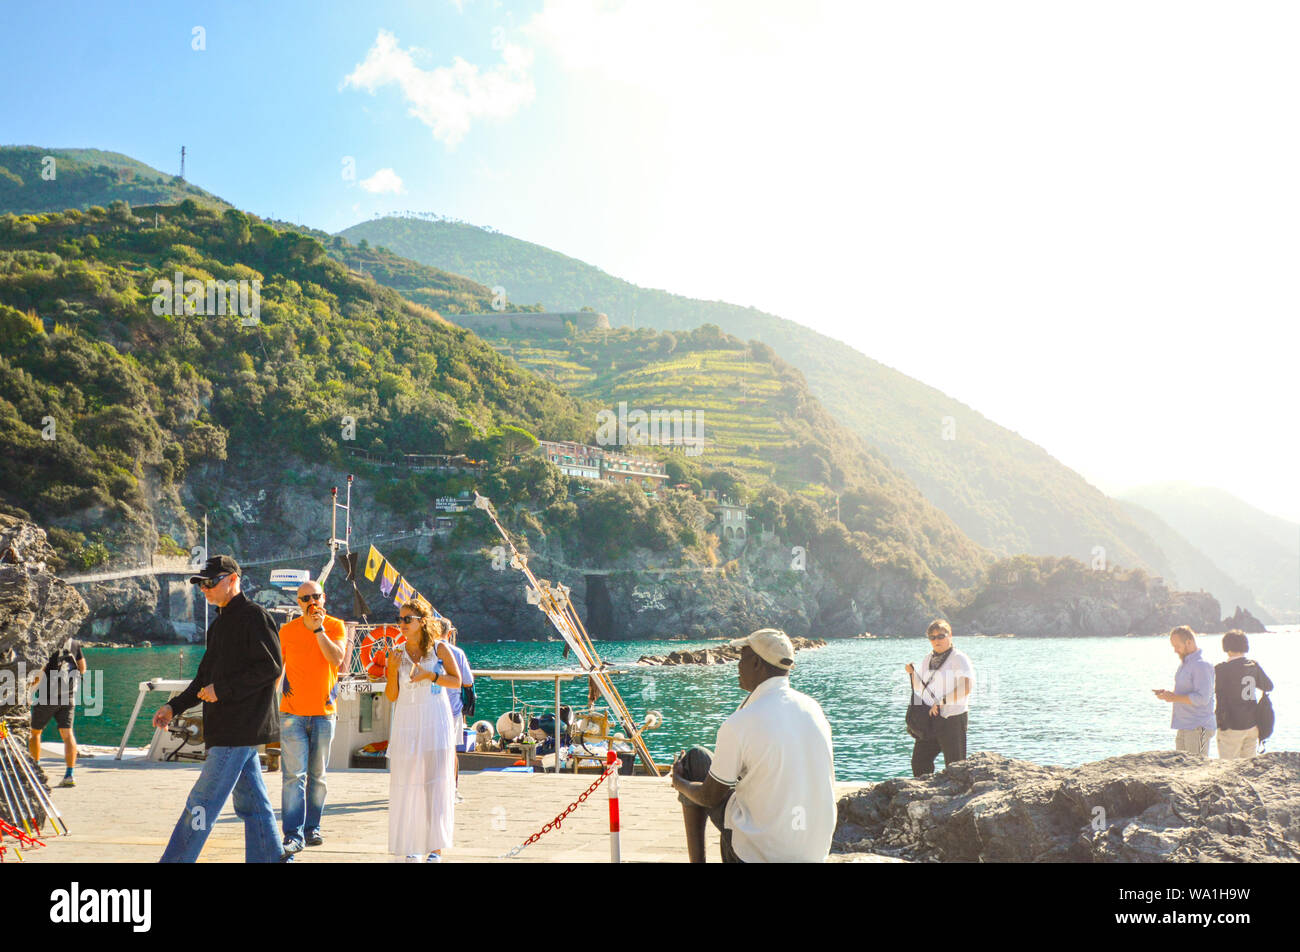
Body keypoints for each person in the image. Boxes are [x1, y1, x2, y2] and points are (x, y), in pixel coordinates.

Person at [154, 556, 285, 863]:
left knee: (200, 803)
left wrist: (223, 689)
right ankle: (270, 858)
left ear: (233, 580)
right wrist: (173, 707)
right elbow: (203, 678)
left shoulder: (255, 616)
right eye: (201, 585)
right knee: (253, 806)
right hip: (228, 730)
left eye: (211, 583)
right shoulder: (220, 624)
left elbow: (271, 667)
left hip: (238, 729)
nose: (205, 589)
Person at [670, 628, 836, 863]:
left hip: (759, 855)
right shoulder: (813, 709)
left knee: (693, 761)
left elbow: (708, 796)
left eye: (742, 658)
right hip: (813, 851)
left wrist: (680, 783)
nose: (737, 666)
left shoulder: (741, 722)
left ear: (757, 663)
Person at [385, 603, 460, 863]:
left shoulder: (440, 649)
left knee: (435, 783)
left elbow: (457, 680)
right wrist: (392, 670)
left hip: (434, 718)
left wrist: (431, 675)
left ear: (422, 621)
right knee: (408, 784)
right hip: (406, 720)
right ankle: (413, 845)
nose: (402, 622)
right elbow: (392, 695)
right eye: (399, 618)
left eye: (408, 618)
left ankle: (435, 849)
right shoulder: (395, 652)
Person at [278, 579, 347, 853]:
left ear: (324, 597)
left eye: (315, 597)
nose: (311, 603)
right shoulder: (287, 630)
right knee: (294, 776)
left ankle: (312, 828)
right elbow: (275, 670)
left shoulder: (334, 626)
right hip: (291, 714)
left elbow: (337, 659)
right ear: (298, 603)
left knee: (318, 776)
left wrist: (318, 629)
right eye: (305, 599)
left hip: (323, 713)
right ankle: (293, 834)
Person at [905, 619, 974, 776]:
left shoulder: (959, 658)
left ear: (950, 636)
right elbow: (919, 687)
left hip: (952, 718)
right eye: (932, 637)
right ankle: (925, 795)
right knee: (919, 761)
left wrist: (942, 701)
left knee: (955, 765)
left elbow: (966, 687)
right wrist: (912, 673)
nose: (936, 640)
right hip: (930, 719)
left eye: (941, 636)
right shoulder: (927, 658)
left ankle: (957, 798)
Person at [28, 637, 87, 787]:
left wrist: (29, 691)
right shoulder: (73, 643)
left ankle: (35, 771)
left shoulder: (47, 641)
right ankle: (69, 774)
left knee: (35, 732)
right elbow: (82, 668)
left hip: (46, 696)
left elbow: (40, 671)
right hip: (68, 696)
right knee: (67, 734)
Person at [1153, 625, 1216, 758]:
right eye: (1173, 646)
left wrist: (1173, 698)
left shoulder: (1201, 665)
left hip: (1199, 727)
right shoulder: (1185, 664)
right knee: (1182, 770)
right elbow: (1183, 694)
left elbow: (1202, 698)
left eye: (1177, 646)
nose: (1175, 650)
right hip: (1184, 727)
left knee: (1197, 770)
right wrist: (1167, 695)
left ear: (1189, 642)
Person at [1214, 629, 1273, 759]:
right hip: (1252, 724)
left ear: (1226, 647)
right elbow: (1269, 686)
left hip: (1230, 726)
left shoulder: (1221, 669)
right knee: (1248, 766)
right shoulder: (1253, 665)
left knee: (1228, 767)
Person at [442, 622, 474, 803]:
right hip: (452, 708)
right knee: (451, 750)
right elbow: (468, 681)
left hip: (428, 707)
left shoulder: (425, 652)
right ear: (450, 632)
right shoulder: (457, 653)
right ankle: (452, 790)